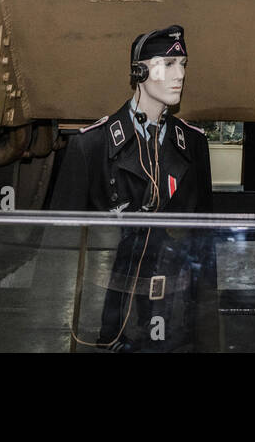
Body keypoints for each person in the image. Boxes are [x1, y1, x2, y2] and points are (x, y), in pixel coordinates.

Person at [51, 24, 217, 351]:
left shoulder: (194, 144)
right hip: (111, 314)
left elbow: (204, 235)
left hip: (177, 312)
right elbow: (62, 247)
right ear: (140, 72)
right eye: (168, 65)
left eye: (182, 64)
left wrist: (205, 314)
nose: (179, 74)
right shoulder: (92, 146)